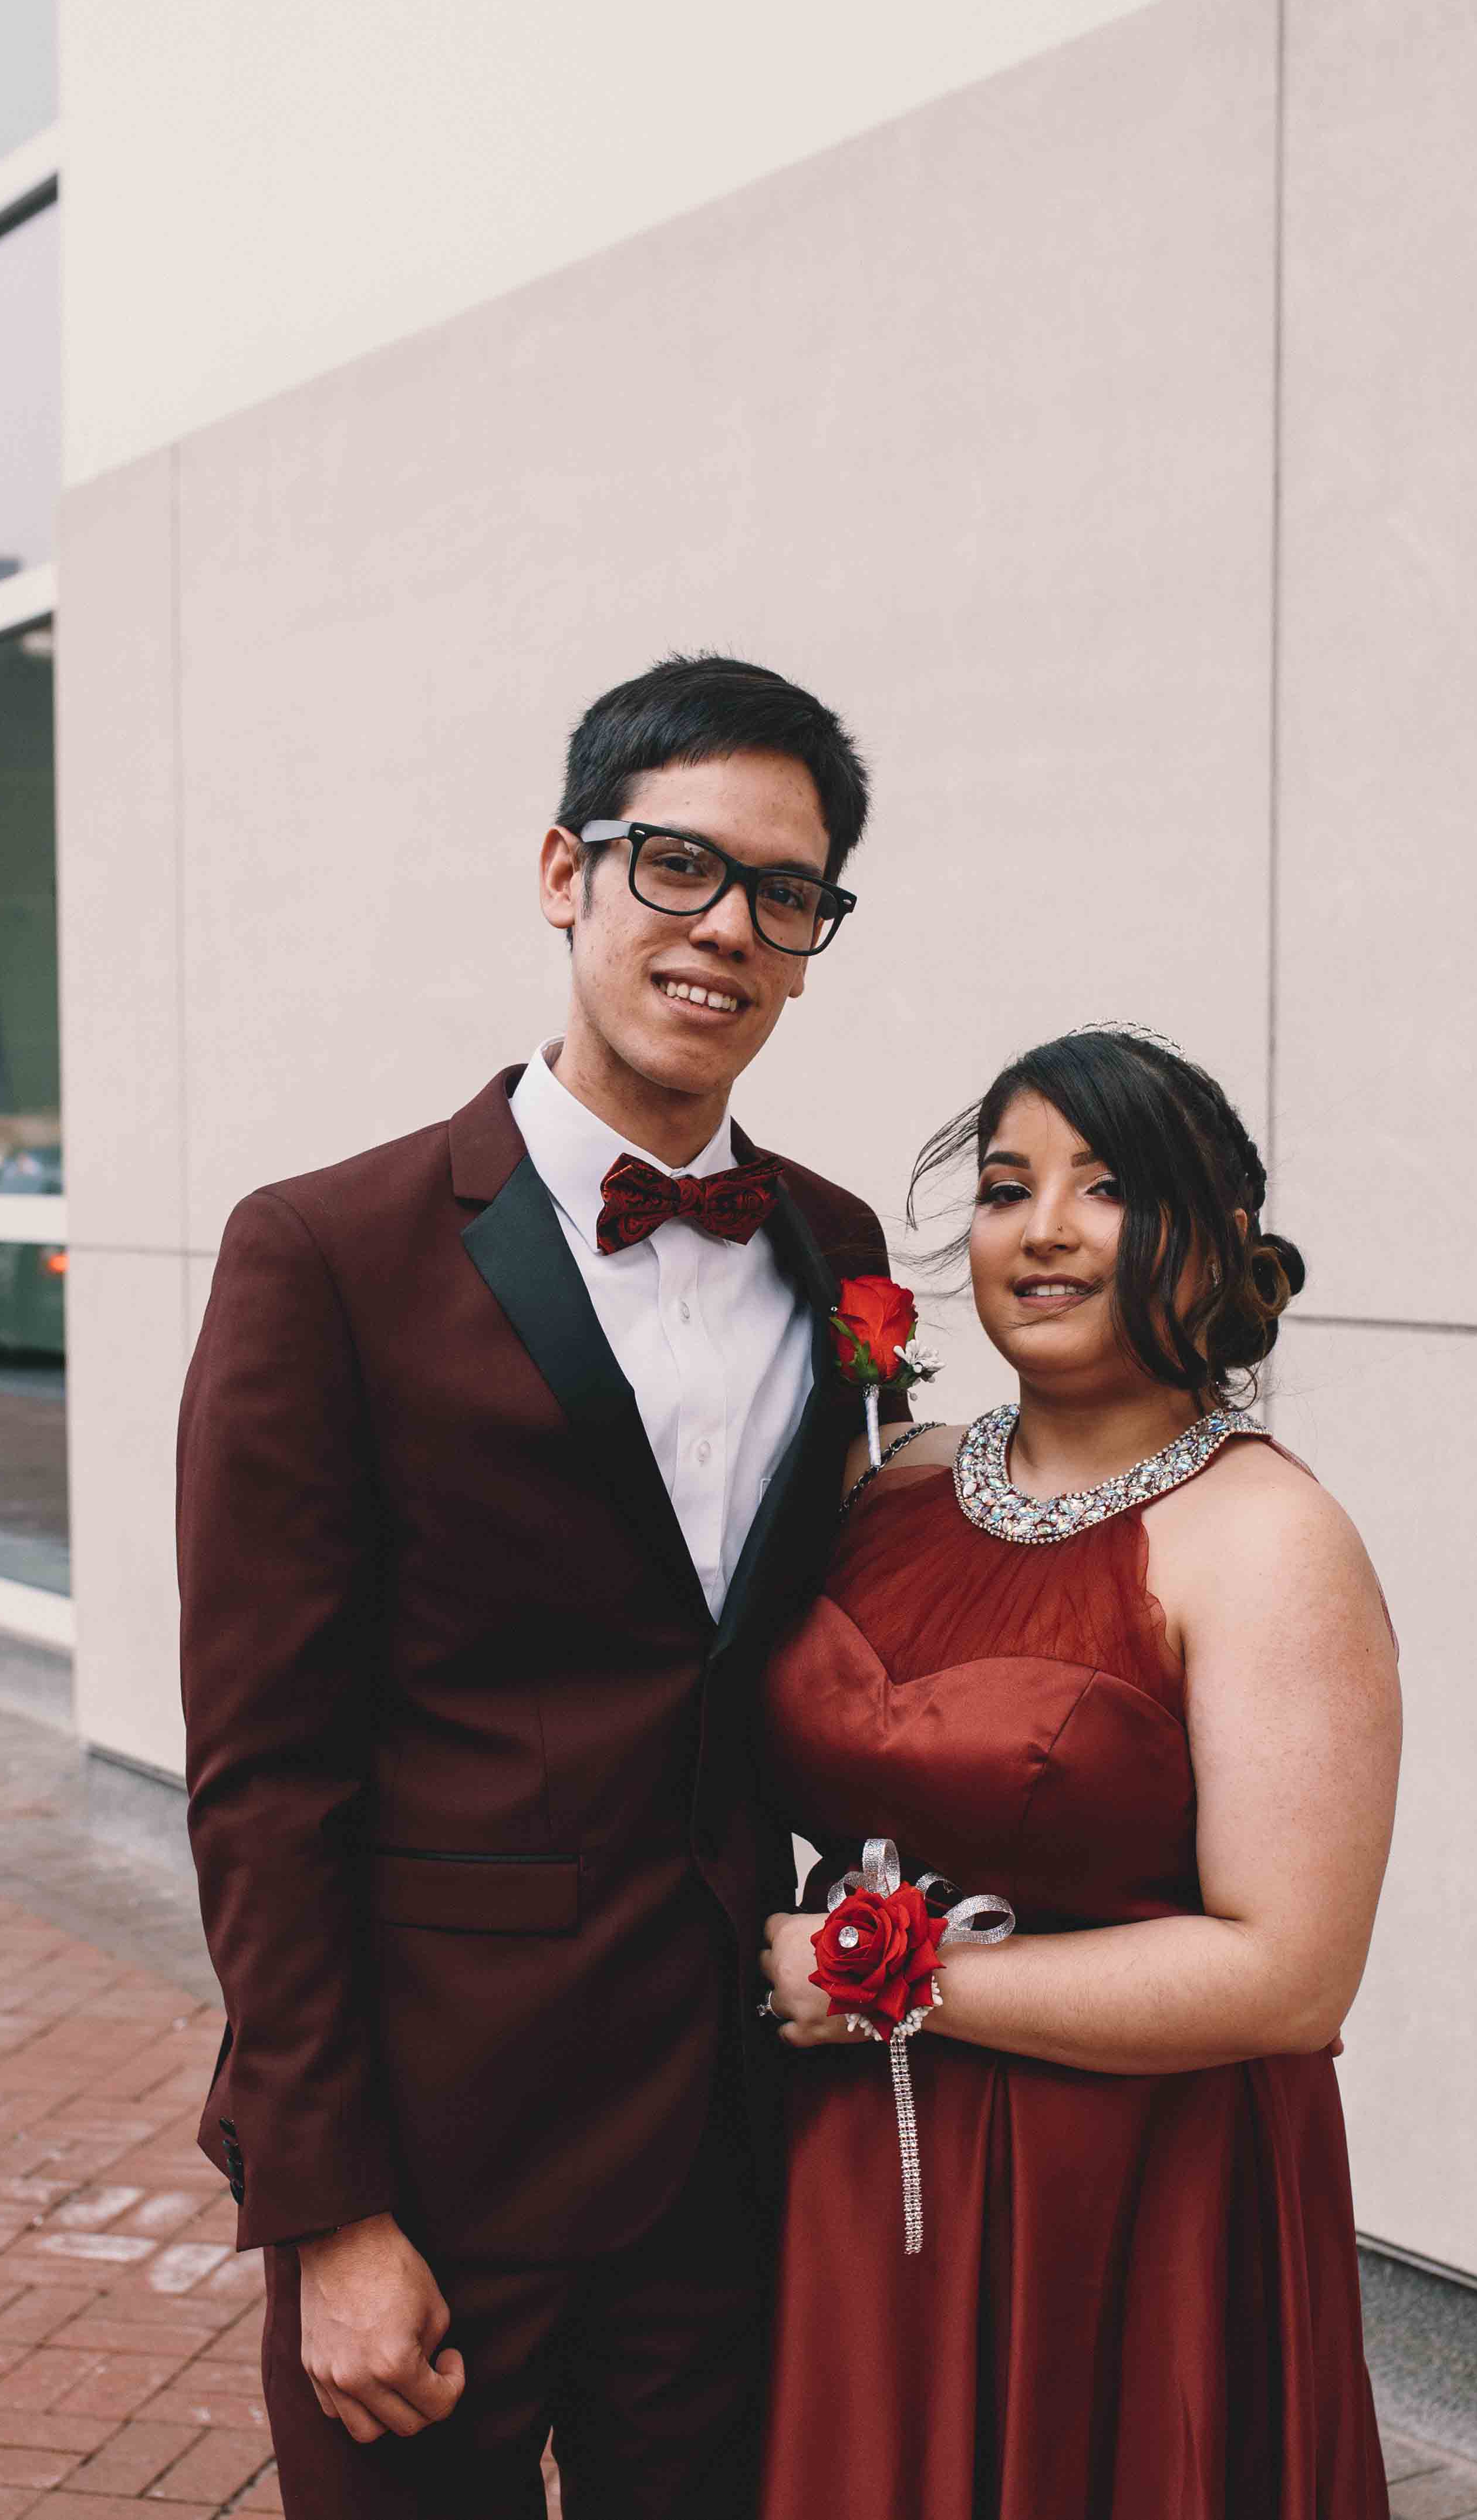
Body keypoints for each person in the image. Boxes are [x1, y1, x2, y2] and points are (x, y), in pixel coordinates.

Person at [178, 654, 902, 2520]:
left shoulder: (837, 1247)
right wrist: (326, 2213)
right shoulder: (323, 1251)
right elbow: (264, 1777)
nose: (727, 929)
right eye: (678, 865)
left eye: (785, 894)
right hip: (434, 2152)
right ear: (566, 871)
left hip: (737, 2152)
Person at [756, 1026, 1401, 2519]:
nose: (1041, 1229)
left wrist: (880, 1983)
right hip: (845, 2177)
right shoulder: (890, 1479)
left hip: (1125, 2203)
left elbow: (1292, 1974)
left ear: (1220, 1241)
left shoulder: (1267, 1544)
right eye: (1004, 1184)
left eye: (1105, 1185)